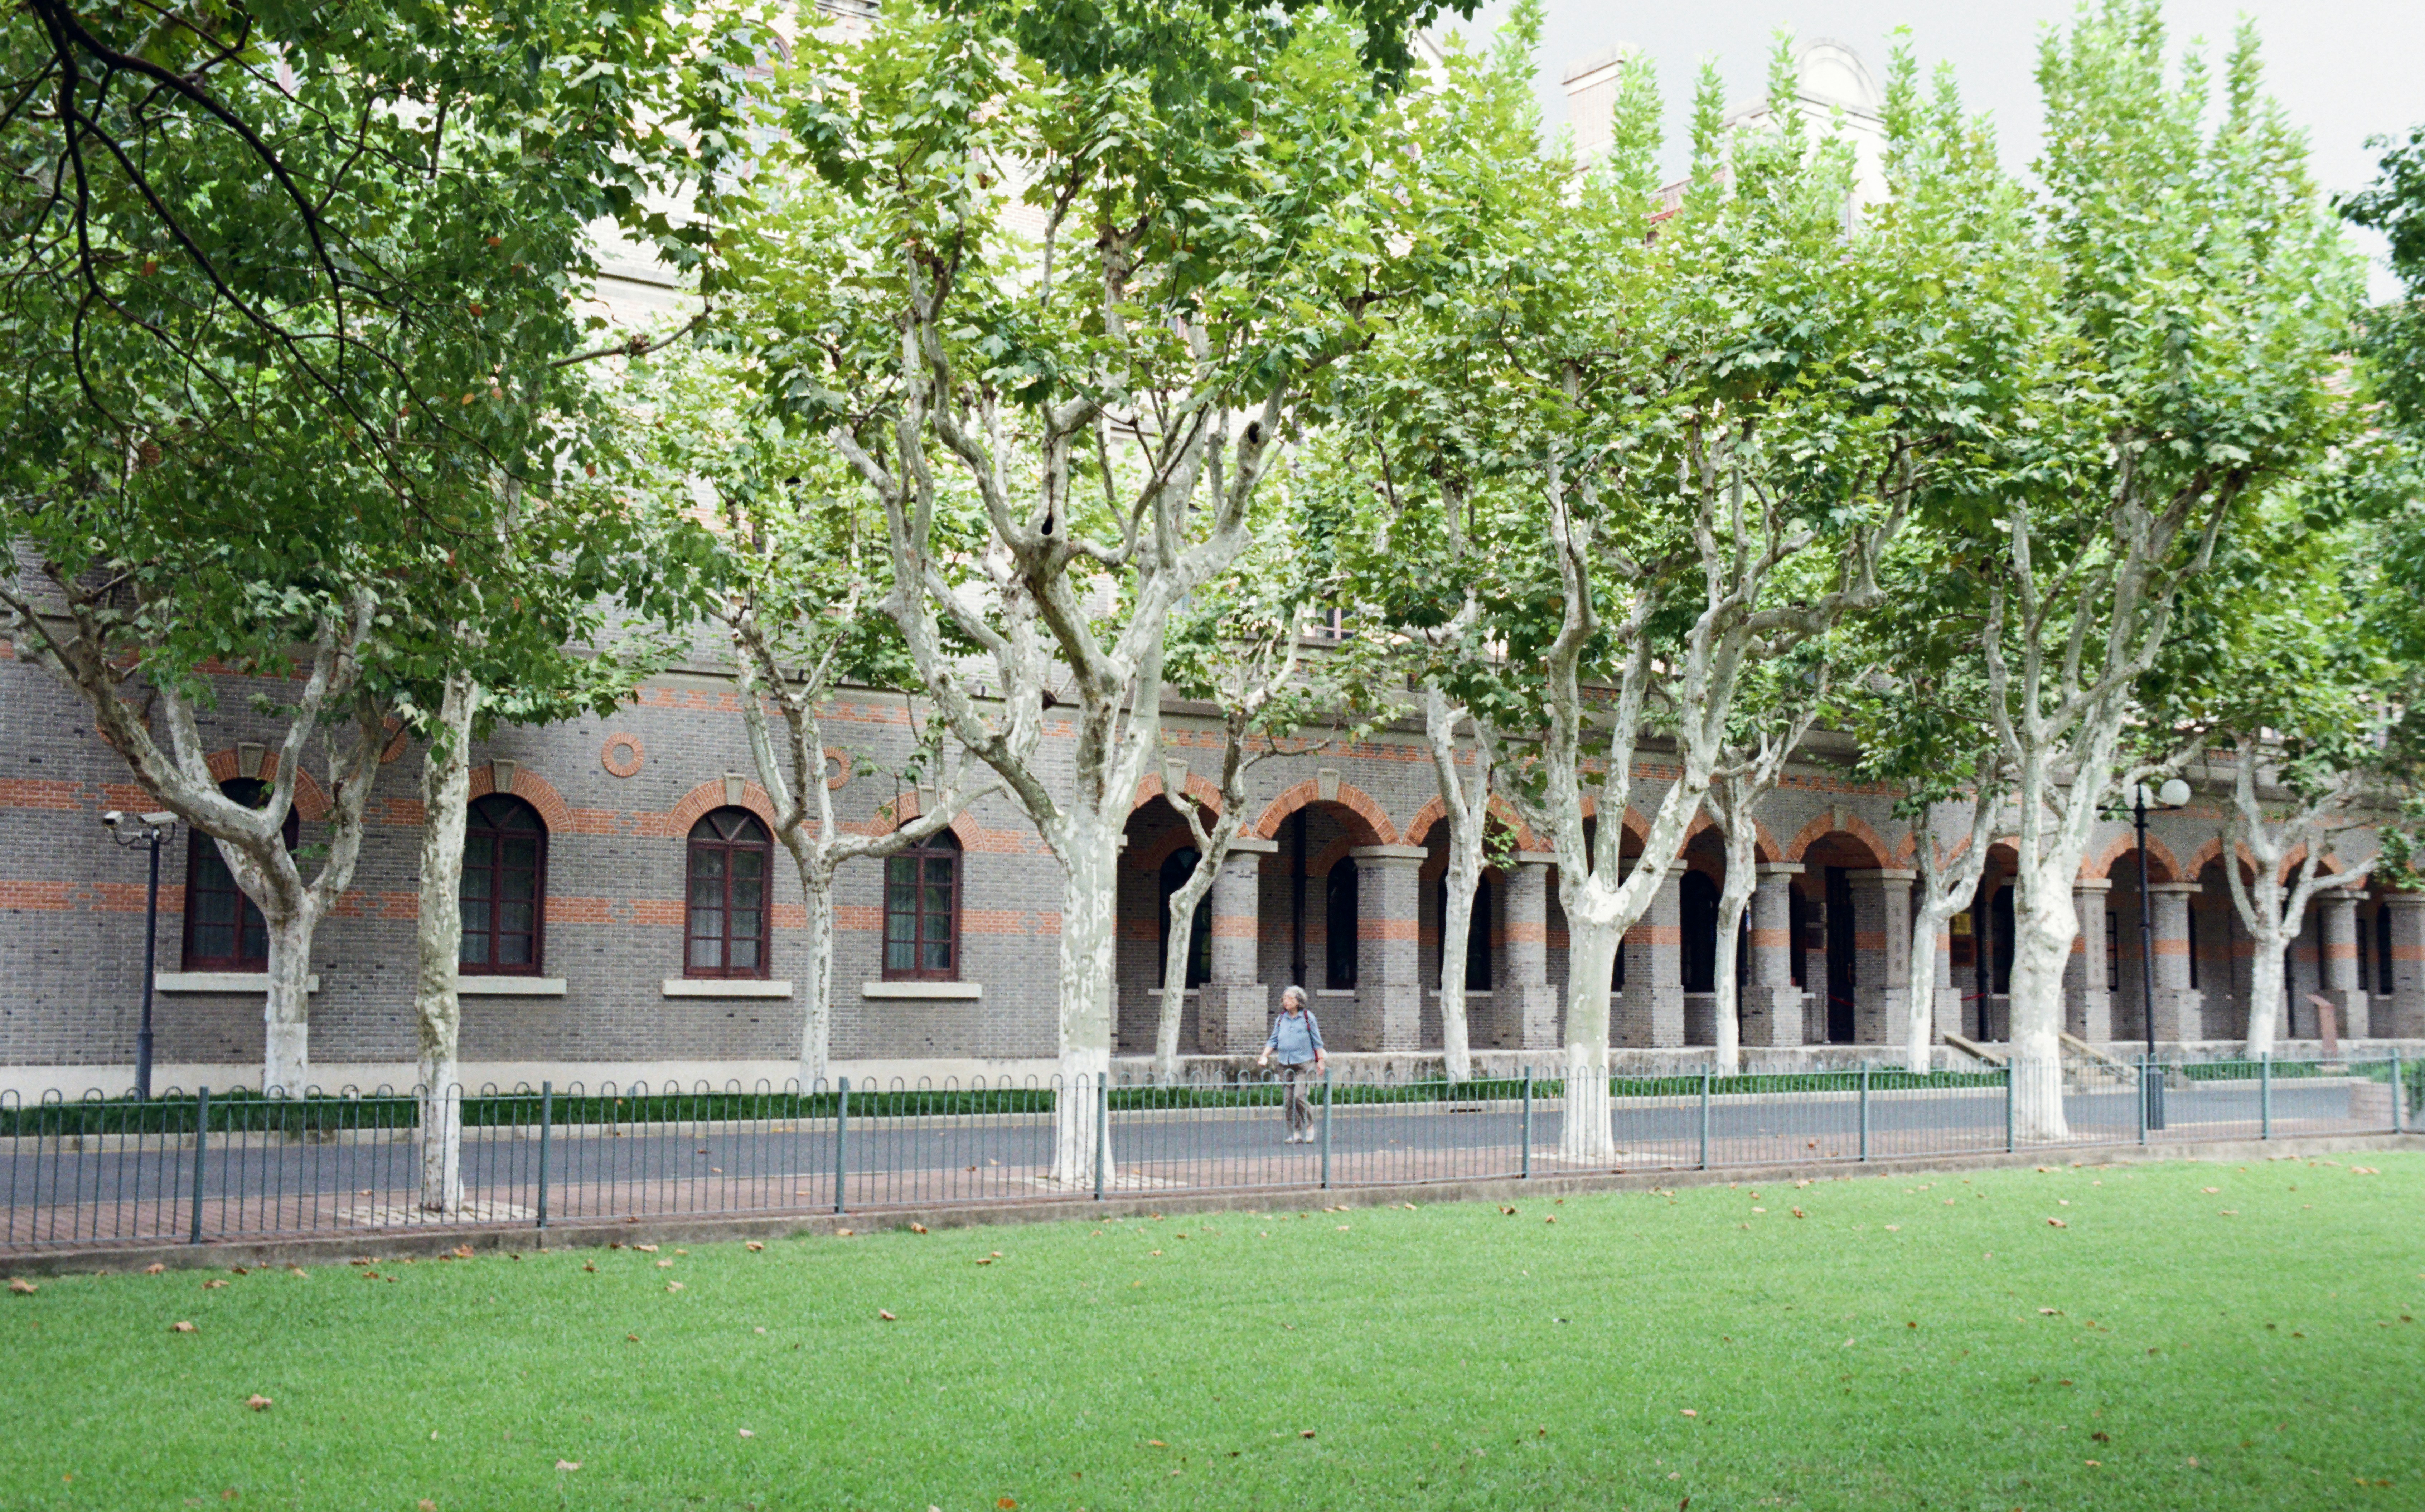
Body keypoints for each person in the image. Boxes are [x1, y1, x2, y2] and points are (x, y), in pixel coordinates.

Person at [1256, 985, 1327, 1144]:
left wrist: (1321, 1062)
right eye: (1284, 998)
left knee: (1299, 1096)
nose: (1286, 1001)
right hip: (1285, 1064)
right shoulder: (1281, 1019)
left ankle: (1309, 1126)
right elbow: (1273, 1040)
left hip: (1304, 1064)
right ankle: (1295, 1132)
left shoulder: (1308, 1018)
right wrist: (1264, 1056)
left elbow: (1318, 1042)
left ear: (1298, 1001)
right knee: (1288, 1101)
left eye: (1290, 998)